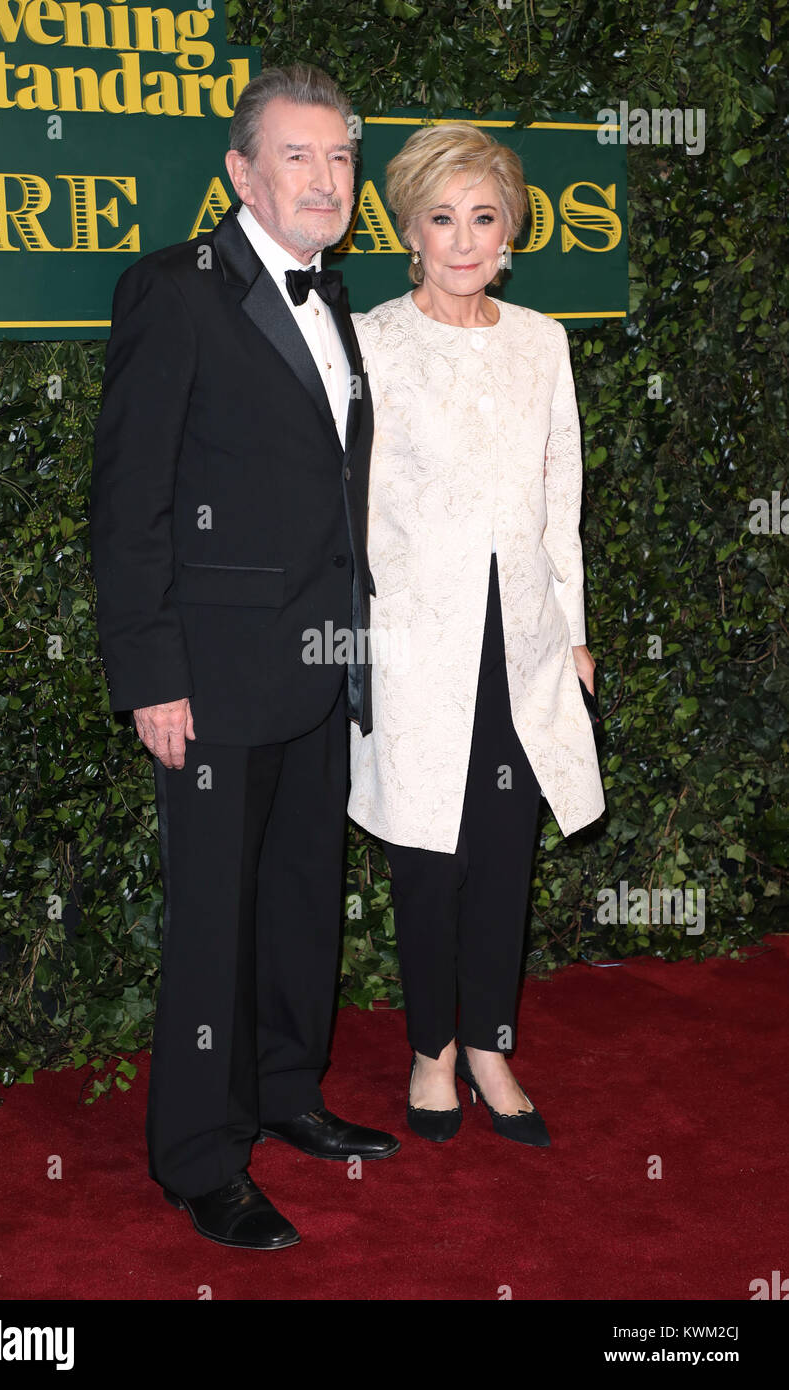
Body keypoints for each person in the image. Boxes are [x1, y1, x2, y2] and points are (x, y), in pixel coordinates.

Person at [90, 63, 399, 1252]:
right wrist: (150, 671)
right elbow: (129, 505)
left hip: (321, 663)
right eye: (296, 157)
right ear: (240, 172)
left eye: (338, 158)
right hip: (209, 678)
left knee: (299, 903)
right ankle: (198, 1158)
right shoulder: (174, 292)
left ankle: (285, 1093)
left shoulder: (340, 299)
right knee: (211, 921)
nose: (324, 180)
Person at [347, 122, 606, 1146]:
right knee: (426, 855)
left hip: (525, 642)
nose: (462, 238)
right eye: (441, 217)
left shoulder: (541, 342)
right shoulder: (370, 339)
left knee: (503, 848)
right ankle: (430, 1051)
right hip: (415, 643)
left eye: (482, 217)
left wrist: (573, 632)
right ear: (409, 230)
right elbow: (351, 503)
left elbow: (560, 497)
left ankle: (490, 1045)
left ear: (509, 234)